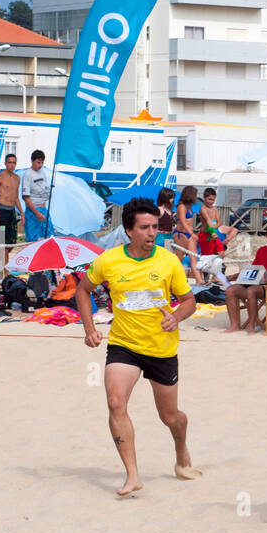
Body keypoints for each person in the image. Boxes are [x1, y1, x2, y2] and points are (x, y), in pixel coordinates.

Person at [73, 197, 200, 497]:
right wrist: (89, 329)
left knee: (170, 417)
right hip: (124, 345)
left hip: (161, 348)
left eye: (155, 227)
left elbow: (189, 301)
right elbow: (82, 290)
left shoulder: (168, 261)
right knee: (116, 403)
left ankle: (181, 450)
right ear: (128, 230)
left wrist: (177, 317)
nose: (152, 233)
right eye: (144, 227)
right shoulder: (109, 260)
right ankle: (132, 475)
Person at [226, 220, 267, 333]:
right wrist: (235, 276)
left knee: (251, 291)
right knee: (231, 290)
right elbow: (253, 270)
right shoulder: (262, 250)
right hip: (257, 284)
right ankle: (234, 325)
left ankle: (252, 326)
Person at [0, 153, 23, 269]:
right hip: (1, 211)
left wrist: (22, 214)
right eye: (9, 162)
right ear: (5, 163)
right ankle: (4, 269)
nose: (12, 165)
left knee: (12, 242)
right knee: (2, 242)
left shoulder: (17, 178)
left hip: (11, 212)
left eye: (14, 162)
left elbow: (16, 197)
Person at [22, 150, 52, 241]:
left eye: (42, 162)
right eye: (38, 162)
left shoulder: (42, 173)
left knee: (49, 237)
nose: (40, 165)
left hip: (43, 209)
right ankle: (1, 254)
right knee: (33, 240)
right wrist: (36, 213)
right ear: (32, 161)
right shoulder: (27, 174)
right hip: (33, 211)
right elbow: (25, 197)